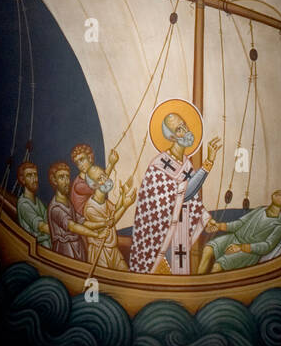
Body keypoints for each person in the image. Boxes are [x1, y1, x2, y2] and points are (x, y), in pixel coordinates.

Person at [129, 102, 221, 275]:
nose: (185, 131)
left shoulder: (186, 164)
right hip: (161, 237)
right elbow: (183, 194)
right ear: (171, 137)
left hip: (181, 231)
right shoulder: (158, 167)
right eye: (179, 129)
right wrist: (208, 164)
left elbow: (192, 200)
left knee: (181, 271)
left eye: (184, 125)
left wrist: (206, 219)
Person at [197, 189, 281, 273]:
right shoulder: (261, 209)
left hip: (248, 252)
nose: (280, 193)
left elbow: (267, 246)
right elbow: (240, 223)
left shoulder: (279, 225)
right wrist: (219, 226)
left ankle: (205, 293)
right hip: (234, 238)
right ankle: (198, 283)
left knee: (217, 267)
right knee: (208, 249)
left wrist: (241, 247)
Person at [46, 161, 107, 260]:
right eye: (62, 177)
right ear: (54, 180)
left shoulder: (68, 202)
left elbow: (82, 222)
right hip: (65, 252)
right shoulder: (55, 208)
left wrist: (103, 223)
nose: (66, 181)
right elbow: (73, 226)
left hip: (78, 248)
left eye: (67, 177)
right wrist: (97, 234)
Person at [83, 165, 135, 272]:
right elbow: (110, 222)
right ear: (93, 185)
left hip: (113, 250)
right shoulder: (90, 208)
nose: (105, 180)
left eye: (104, 175)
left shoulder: (105, 202)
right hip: (100, 252)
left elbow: (114, 211)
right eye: (99, 179)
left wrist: (122, 194)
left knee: (126, 274)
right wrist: (125, 206)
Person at [69, 142, 119, 221]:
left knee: (114, 209)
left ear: (89, 158)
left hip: (97, 207)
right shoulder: (79, 185)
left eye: (82, 160)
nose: (80, 165)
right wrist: (111, 164)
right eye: (77, 163)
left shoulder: (91, 175)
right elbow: (100, 186)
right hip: (87, 214)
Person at [15, 163, 51, 249]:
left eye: (35, 175)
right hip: (38, 247)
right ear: (23, 180)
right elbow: (41, 227)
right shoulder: (24, 204)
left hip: (47, 243)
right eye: (29, 175)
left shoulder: (38, 202)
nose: (34, 179)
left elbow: (48, 220)